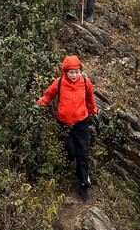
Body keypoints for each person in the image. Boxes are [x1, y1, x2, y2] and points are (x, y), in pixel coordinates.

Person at [36, 54, 97, 190]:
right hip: (64, 123)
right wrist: (38, 104)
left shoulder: (85, 82)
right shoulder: (59, 82)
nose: (75, 75)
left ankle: (84, 183)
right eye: (71, 72)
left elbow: (90, 99)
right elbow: (48, 95)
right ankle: (66, 171)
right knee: (70, 153)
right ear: (65, 72)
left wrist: (94, 112)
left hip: (81, 122)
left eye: (77, 72)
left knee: (83, 153)